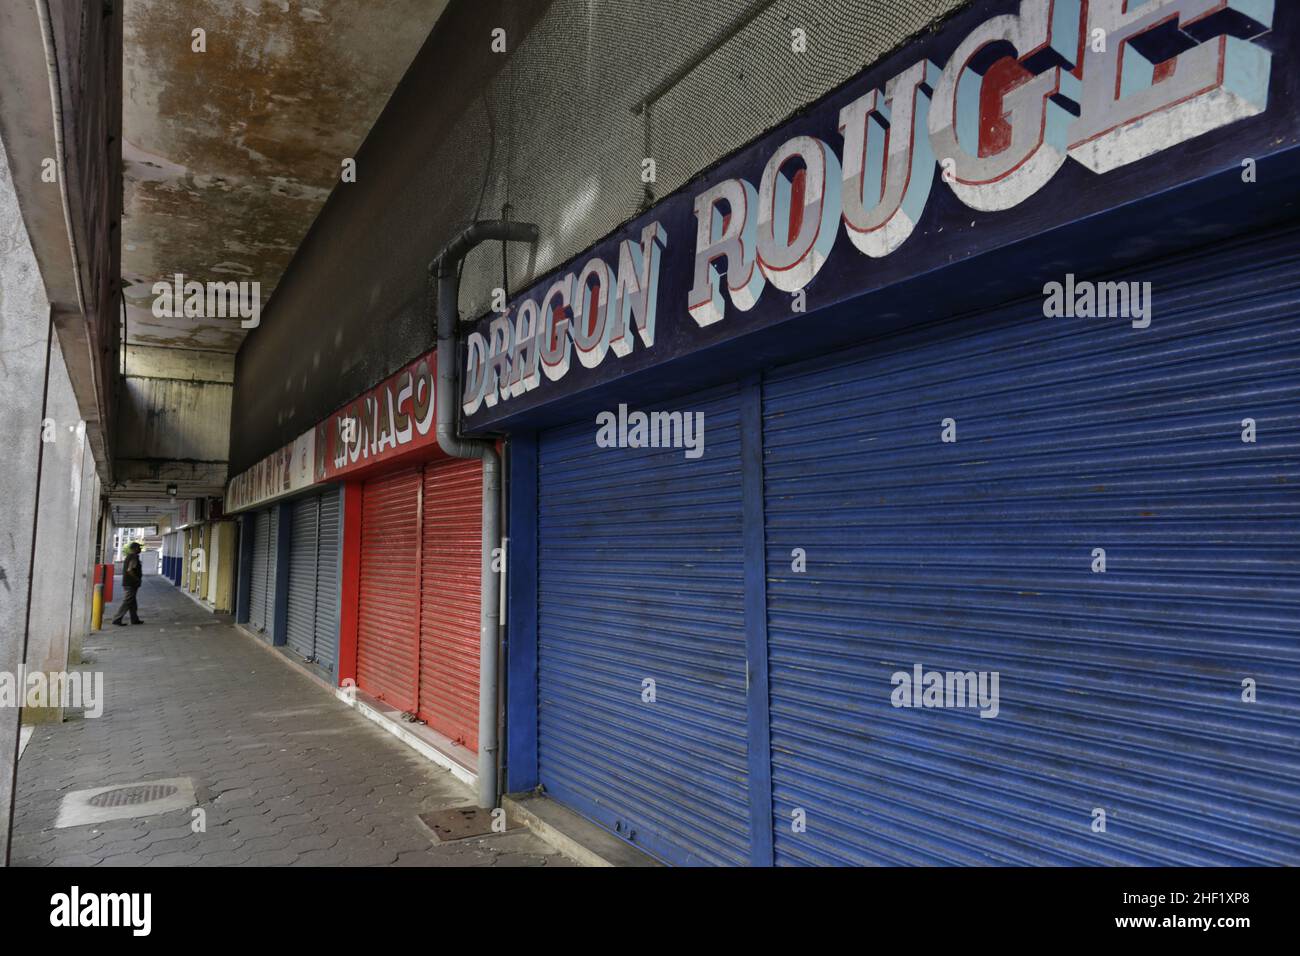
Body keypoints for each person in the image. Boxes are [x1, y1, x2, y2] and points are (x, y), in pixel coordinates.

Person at [112, 541, 145, 626]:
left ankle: (134, 619)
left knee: (132, 602)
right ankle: (117, 618)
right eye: (139, 548)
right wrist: (136, 579)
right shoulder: (133, 557)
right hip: (131, 583)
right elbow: (130, 570)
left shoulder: (129, 556)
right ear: (134, 549)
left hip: (129, 583)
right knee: (128, 601)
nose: (140, 549)